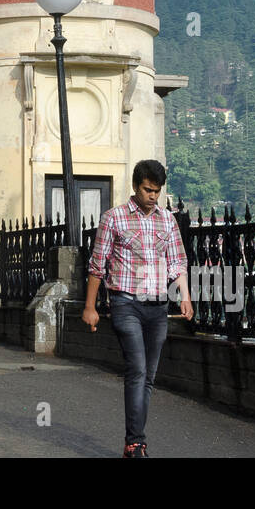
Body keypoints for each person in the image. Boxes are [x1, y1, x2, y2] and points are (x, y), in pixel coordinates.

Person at [82, 159, 194, 458]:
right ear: (135, 186)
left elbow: (177, 261)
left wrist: (184, 296)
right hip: (125, 303)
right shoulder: (114, 218)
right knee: (138, 370)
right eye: (147, 190)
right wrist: (90, 307)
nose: (152, 196)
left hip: (158, 307)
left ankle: (135, 442)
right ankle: (136, 442)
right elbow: (97, 266)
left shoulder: (168, 220)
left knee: (149, 375)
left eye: (157, 191)